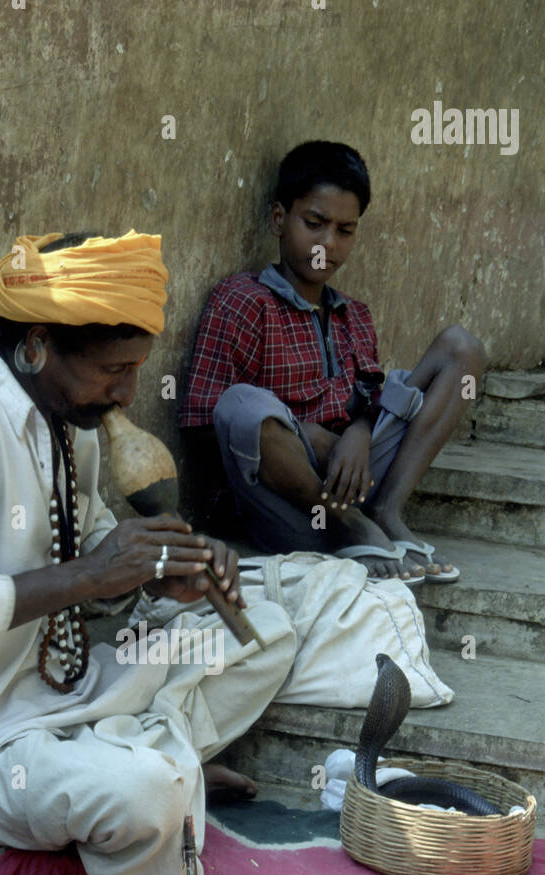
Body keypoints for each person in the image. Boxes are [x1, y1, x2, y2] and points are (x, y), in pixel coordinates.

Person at [0, 229, 453, 875]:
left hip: (59, 695)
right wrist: (91, 574)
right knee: (148, 794)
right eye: (112, 369)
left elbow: (91, 537)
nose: (127, 391)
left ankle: (156, 750)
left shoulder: (65, 414)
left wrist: (156, 574)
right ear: (38, 344)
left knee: (261, 632)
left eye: (135, 369)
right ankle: (164, 764)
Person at [180, 141, 487, 583]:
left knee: (461, 348)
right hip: (290, 503)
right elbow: (204, 425)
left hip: (356, 476)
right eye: (315, 223)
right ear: (278, 219)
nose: (329, 243)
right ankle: (346, 524)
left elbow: (370, 397)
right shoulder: (241, 302)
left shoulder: (354, 315)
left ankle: (386, 510)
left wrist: (358, 435)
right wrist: (309, 437)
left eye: (345, 230)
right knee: (242, 405)